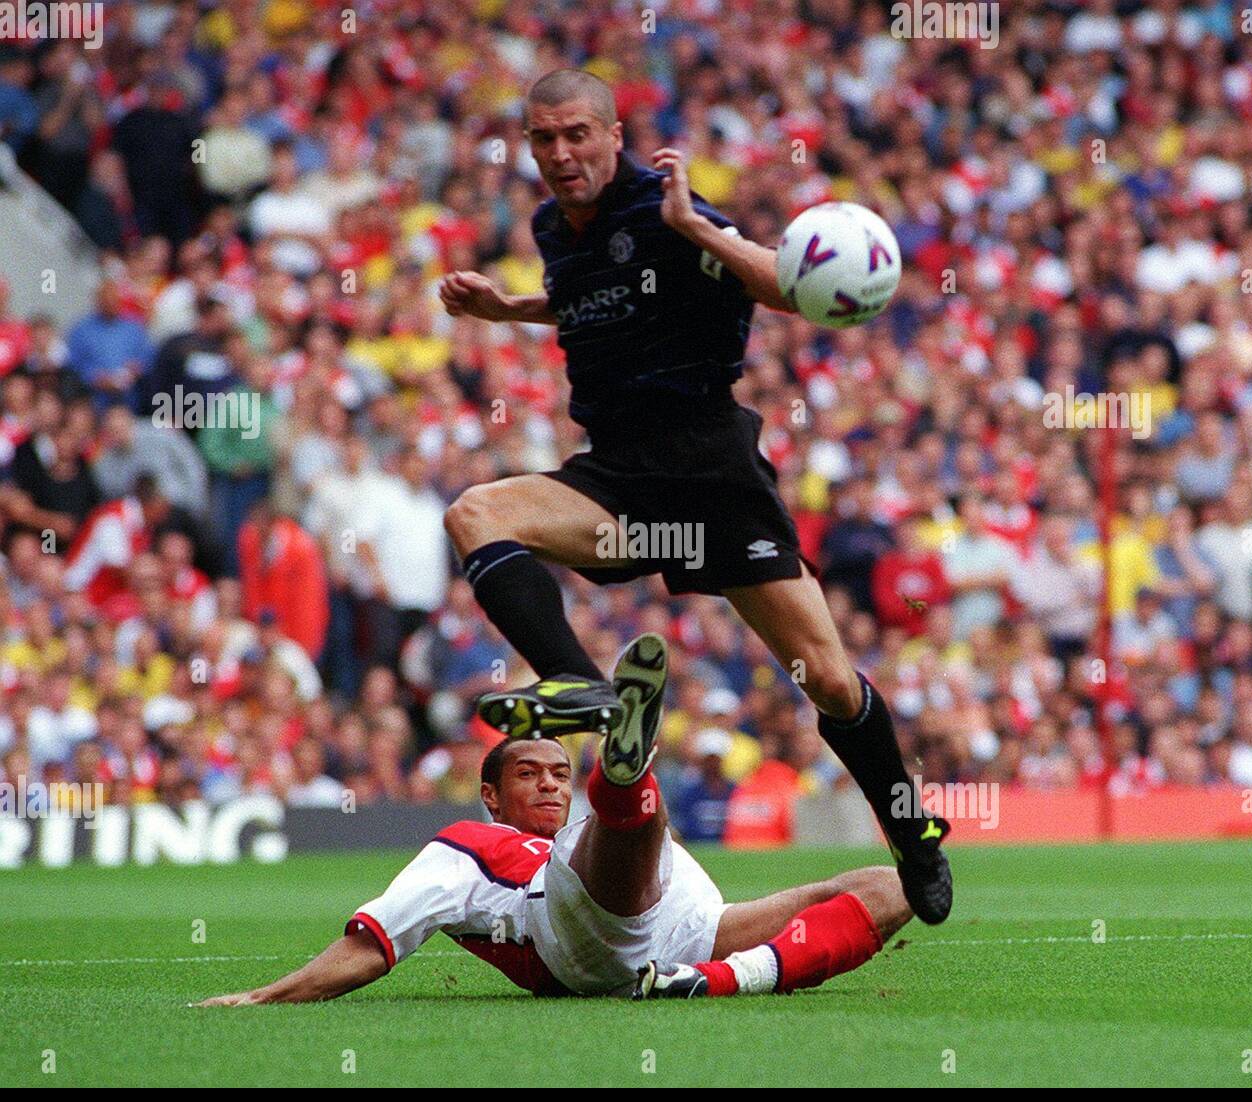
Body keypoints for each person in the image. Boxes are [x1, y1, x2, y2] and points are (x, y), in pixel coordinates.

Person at [436, 68, 951, 923]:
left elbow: (791, 288)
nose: (561, 154)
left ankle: (909, 833)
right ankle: (574, 679)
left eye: (577, 135)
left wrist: (692, 227)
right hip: (618, 481)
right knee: (475, 513)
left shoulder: (667, 209)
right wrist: (509, 310)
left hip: (714, 477)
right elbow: (591, 302)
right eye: (543, 138)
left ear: (613, 135)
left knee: (827, 678)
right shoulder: (551, 227)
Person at [196, 635, 912, 1005]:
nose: (546, 783)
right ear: (490, 795)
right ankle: (627, 769)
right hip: (575, 925)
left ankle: (714, 980)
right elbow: (374, 944)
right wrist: (268, 995)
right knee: (608, 839)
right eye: (527, 772)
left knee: (892, 888)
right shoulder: (464, 848)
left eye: (558, 772)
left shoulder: (570, 828)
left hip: (696, 929)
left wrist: (707, 962)